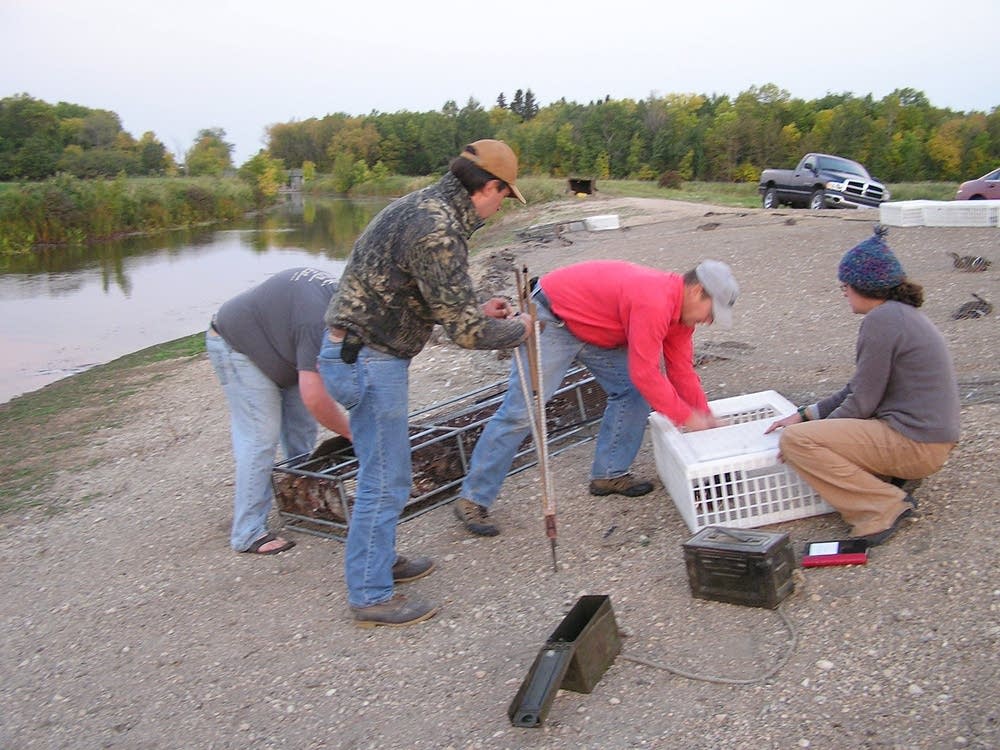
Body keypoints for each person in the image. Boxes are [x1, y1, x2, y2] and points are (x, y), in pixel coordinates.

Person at [317, 139, 533, 627]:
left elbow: (432, 302)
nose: (502, 206)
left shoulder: (426, 207)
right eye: (504, 196)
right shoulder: (437, 229)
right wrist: (521, 328)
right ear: (489, 187)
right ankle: (371, 594)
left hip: (363, 350)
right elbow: (467, 334)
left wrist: (479, 309)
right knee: (385, 478)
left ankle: (381, 559)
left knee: (384, 470)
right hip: (368, 358)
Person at [453, 258, 740, 537]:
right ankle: (473, 498)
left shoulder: (681, 317)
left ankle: (609, 474)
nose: (710, 321)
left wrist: (704, 418)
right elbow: (646, 373)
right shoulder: (654, 299)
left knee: (633, 391)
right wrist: (688, 418)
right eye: (711, 311)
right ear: (696, 291)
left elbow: (681, 371)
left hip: (597, 329)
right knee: (523, 410)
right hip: (553, 317)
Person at [764, 226, 960, 546]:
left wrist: (808, 436)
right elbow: (857, 387)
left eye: (845, 285)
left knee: (797, 443)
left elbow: (862, 403)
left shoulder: (881, 321)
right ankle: (892, 481)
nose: (843, 292)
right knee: (804, 432)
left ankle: (881, 507)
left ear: (864, 286)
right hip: (930, 439)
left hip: (918, 444)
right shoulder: (900, 316)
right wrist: (804, 415)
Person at [207, 267, 352, 555]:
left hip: (280, 349)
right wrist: (351, 432)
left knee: (301, 430)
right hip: (237, 346)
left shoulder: (343, 304)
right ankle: (247, 533)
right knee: (261, 436)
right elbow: (315, 396)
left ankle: (301, 500)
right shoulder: (317, 322)